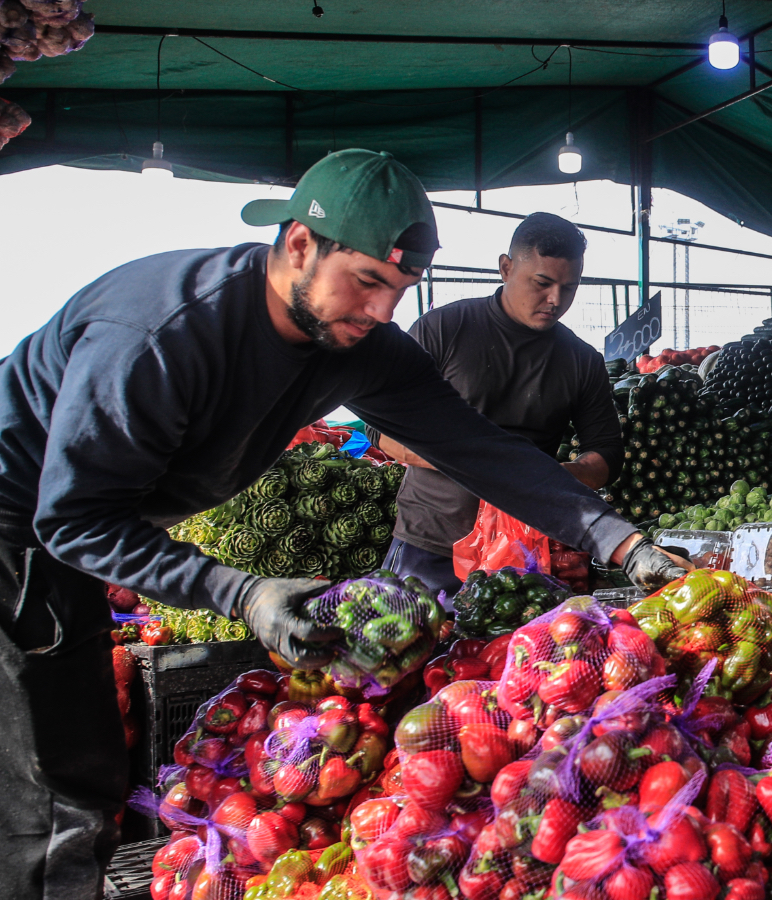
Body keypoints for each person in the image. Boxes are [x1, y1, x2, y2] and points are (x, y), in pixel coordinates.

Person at [0, 149, 685, 895]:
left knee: (85, 770)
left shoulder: (353, 340)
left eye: (400, 289)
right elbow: (72, 518)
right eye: (366, 282)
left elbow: (481, 450)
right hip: (18, 533)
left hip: (74, 534)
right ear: (299, 246)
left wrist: (618, 538)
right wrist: (242, 591)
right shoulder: (163, 335)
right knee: (51, 790)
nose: (383, 312)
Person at [375, 213, 621, 598]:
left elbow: (606, 456)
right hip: (430, 544)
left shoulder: (581, 360)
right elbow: (384, 432)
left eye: (569, 288)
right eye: (542, 283)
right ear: (505, 267)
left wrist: (538, 476)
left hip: (525, 553)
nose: (555, 300)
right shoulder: (442, 330)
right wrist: (480, 465)